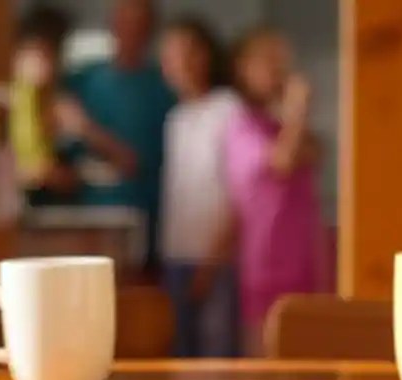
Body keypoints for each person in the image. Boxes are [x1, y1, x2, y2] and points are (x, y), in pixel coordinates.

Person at [225, 27, 324, 357]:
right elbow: (283, 161)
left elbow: (312, 153)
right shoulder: (242, 125)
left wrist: (293, 117)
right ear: (244, 68)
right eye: (270, 61)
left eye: (283, 62)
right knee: (265, 363)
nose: (280, 70)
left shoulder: (279, 126)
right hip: (266, 266)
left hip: (305, 264)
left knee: (307, 363)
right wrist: (297, 108)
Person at [67, 0, 176, 275]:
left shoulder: (162, 89)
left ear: (150, 31)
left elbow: (134, 161)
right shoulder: (84, 80)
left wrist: (89, 131)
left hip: (142, 227)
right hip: (86, 225)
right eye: (123, 23)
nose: (129, 32)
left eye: (139, 26)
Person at [158, 16, 240, 358]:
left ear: (206, 55)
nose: (180, 64)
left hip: (218, 260)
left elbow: (240, 193)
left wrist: (213, 259)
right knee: (180, 357)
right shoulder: (175, 118)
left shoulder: (229, 109)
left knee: (215, 360)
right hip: (175, 257)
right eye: (171, 56)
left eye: (188, 52)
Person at [8, 5, 135, 206]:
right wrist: (56, 175)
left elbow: (127, 162)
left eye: (54, 55)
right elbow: (26, 170)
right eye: (40, 54)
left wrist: (84, 129)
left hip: (62, 215)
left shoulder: (65, 97)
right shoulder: (11, 101)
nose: (48, 66)